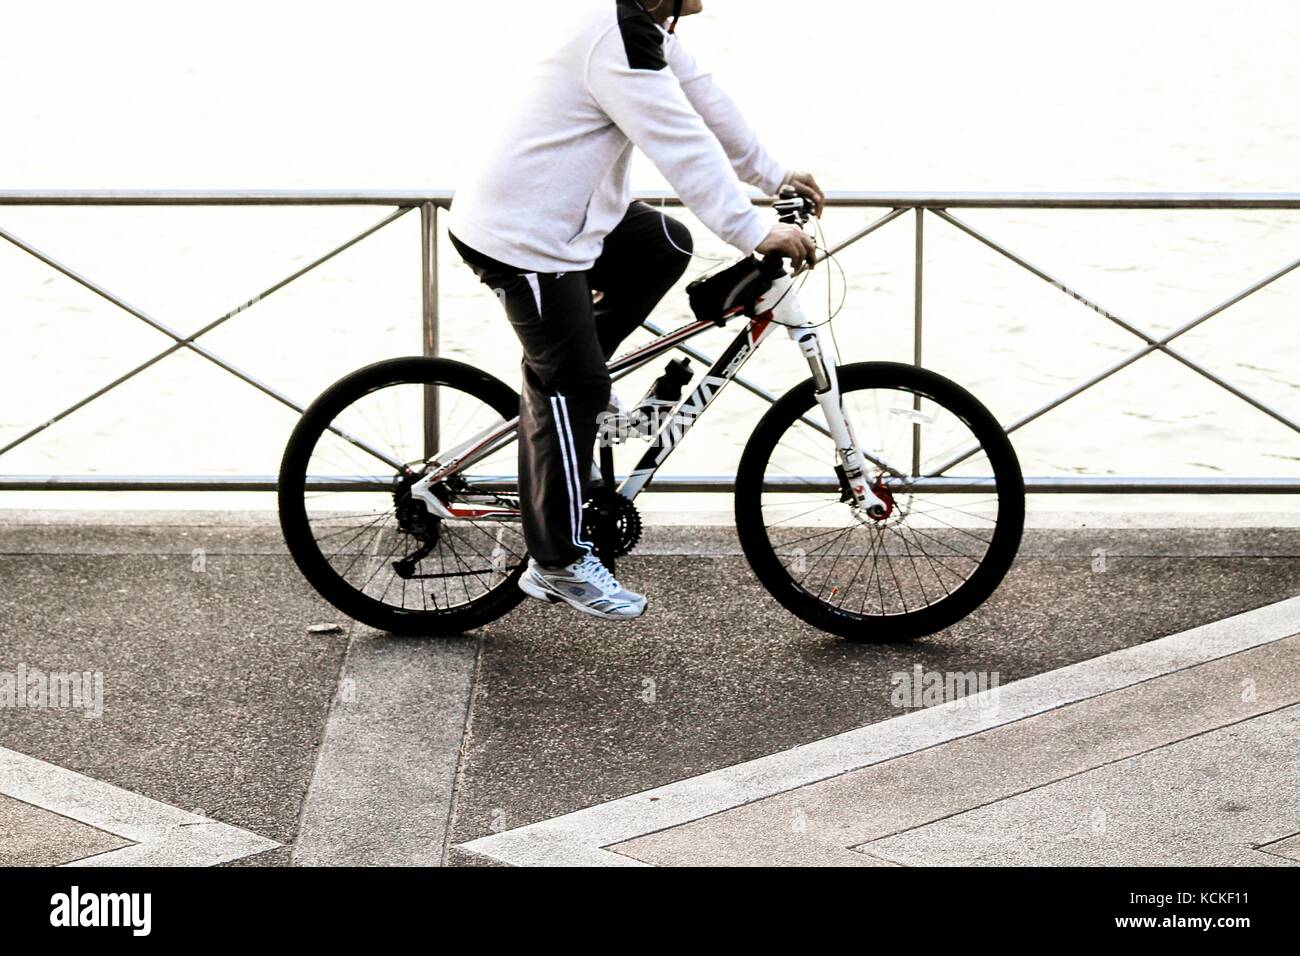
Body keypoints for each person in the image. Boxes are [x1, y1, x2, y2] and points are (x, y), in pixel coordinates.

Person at [449, 0, 824, 621]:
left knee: (664, 245)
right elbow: (678, 142)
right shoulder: (616, 36)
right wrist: (751, 230)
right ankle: (558, 563)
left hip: (564, 215)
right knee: (573, 383)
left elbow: (706, 100)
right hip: (525, 236)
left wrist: (774, 174)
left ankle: (571, 386)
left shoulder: (642, 27)